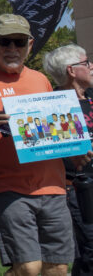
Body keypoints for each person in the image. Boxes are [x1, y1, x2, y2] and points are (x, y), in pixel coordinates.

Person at [0, 14, 79, 276]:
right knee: (28, 268)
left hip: (52, 185)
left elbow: (54, 130)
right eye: (5, 42)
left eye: (19, 42)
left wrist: (75, 149)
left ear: (30, 45)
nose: (12, 49)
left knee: (57, 267)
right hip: (7, 188)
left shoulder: (40, 80)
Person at [44, 43, 93, 276]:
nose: (91, 66)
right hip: (79, 188)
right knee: (90, 248)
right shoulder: (54, 105)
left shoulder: (91, 96)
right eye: (86, 63)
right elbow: (56, 152)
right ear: (72, 70)